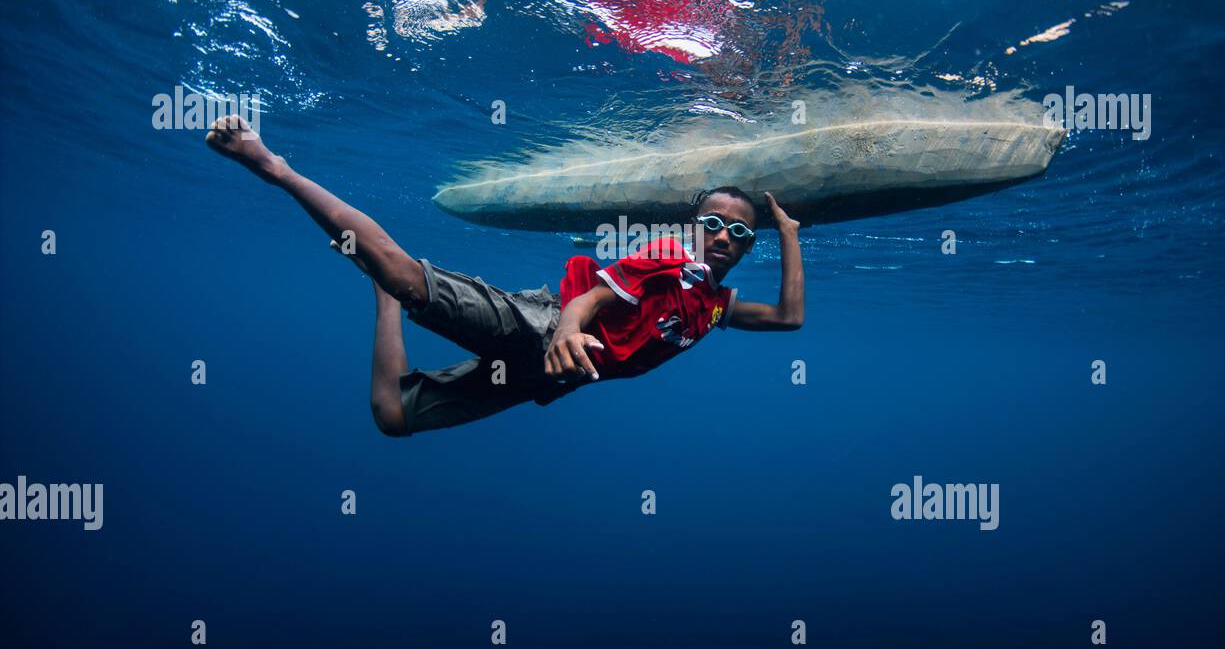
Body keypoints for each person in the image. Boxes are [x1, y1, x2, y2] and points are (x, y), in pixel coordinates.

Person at [205, 114, 804, 435]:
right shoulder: (664, 257)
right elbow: (590, 300)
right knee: (407, 276)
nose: (723, 236)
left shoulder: (715, 306)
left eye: (741, 232)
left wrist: (791, 234)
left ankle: (384, 298)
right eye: (712, 223)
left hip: (547, 379)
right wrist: (569, 332)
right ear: (690, 225)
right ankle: (276, 166)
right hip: (541, 331)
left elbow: (787, 317)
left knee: (392, 417)